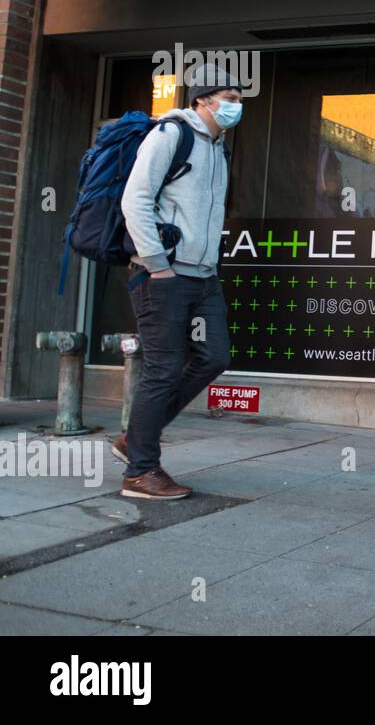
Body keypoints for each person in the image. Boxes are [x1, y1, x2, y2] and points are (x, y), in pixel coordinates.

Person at [116, 63, 243, 499]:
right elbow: (135, 199)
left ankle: (137, 438)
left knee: (214, 356)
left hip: (203, 277)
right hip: (163, 276)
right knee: (164, 369)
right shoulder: (171, 135)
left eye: (240, 99)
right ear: (203, 100)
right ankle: (140, 471)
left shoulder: (219, 147)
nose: (236, 106)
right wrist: (158, 265)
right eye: (229, 98)